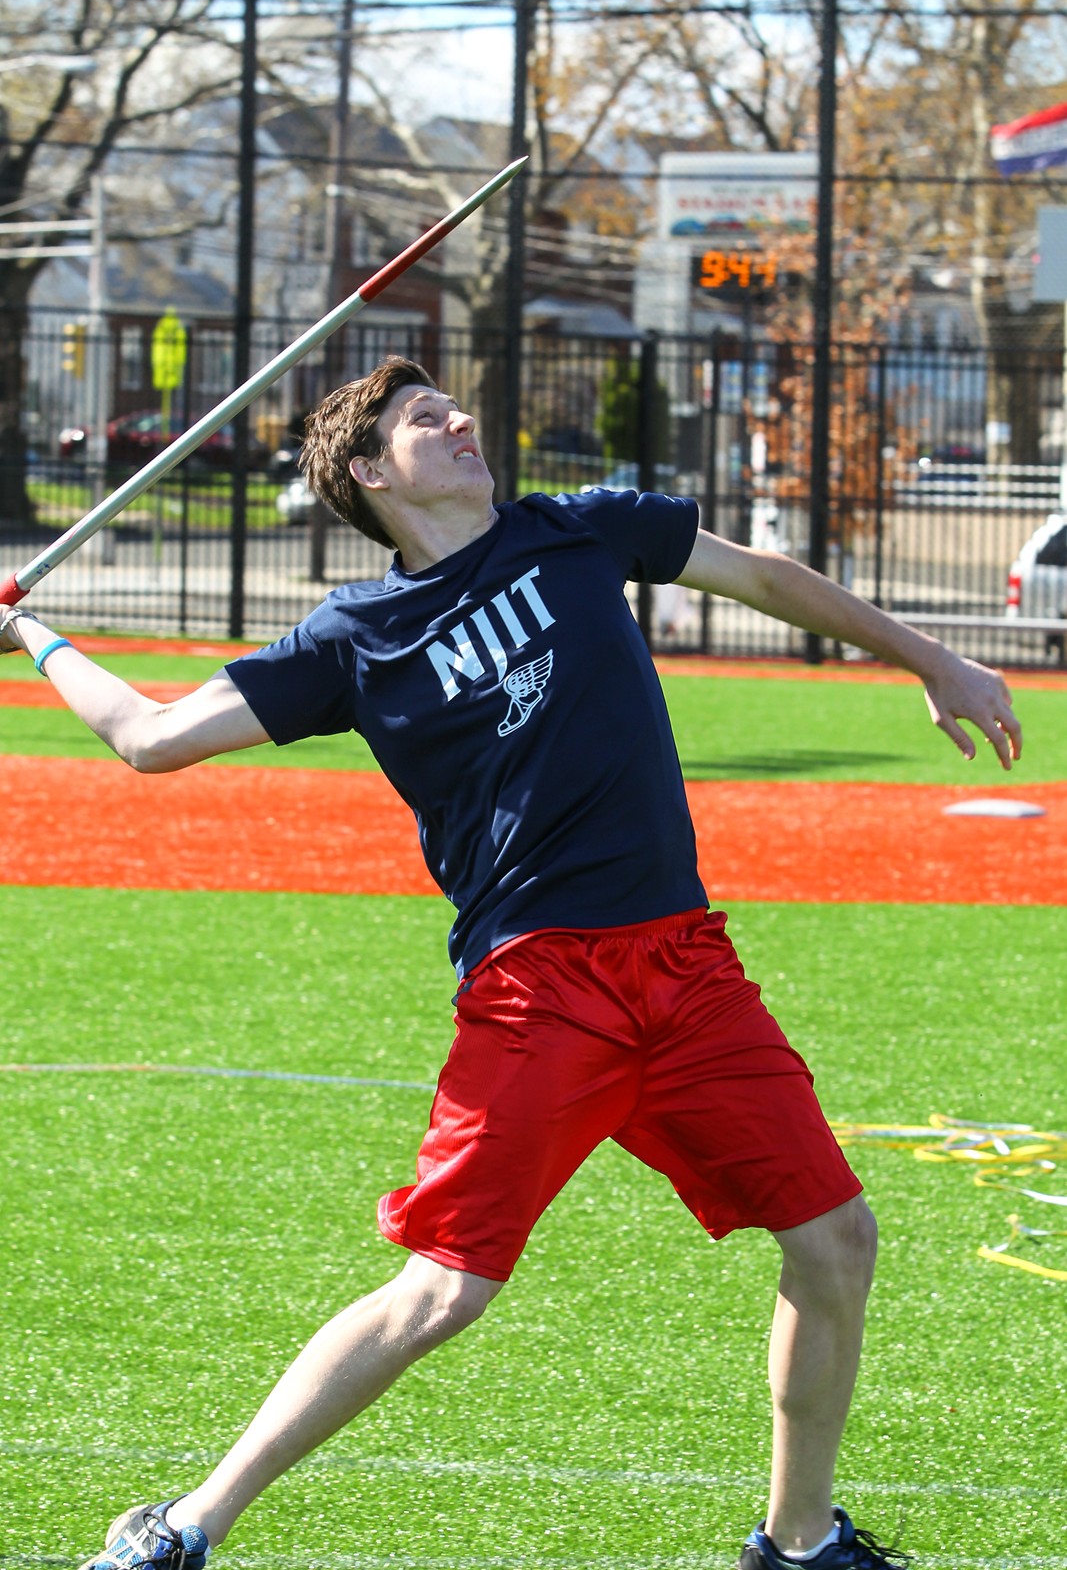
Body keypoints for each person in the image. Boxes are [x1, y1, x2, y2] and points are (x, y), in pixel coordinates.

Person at [1, 357, 1021, 1570]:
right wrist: (26, 628)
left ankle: (797, 1542)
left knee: (835, 1237)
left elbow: (760, 575)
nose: (458, 420)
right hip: (540, 990)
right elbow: (150, 736)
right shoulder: (355, 637)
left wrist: (927, 656)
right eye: (422, 418)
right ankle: (181, 1528)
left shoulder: (578, 530)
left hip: (685, 965)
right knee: (444, 1289)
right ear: (371, 473)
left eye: (452, 406)